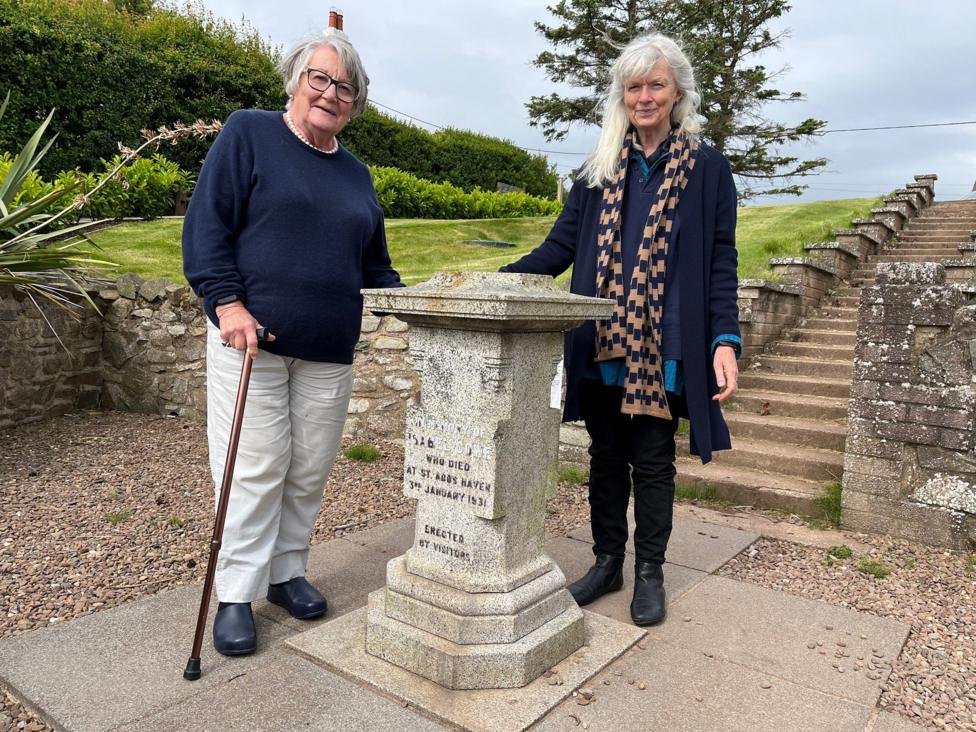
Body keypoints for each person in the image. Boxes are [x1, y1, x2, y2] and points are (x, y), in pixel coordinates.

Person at [501, 33, 740, 626]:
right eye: (634, 86)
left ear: (678, 89)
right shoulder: (600, 167)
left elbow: (721, 260)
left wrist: (725, 341)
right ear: (622, 95)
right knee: (606, 455)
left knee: (654, 459)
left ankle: (650, 572)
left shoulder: (708, 169)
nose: (645, 96)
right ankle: (608, 562)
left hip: (667, 343)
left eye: (655, 83)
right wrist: (497, 279)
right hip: (603, 340)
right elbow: (559, 247)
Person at [182, 28, 402, 655]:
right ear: (297, 80)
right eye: (321, 79)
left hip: (328, 350)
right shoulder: (250, 132)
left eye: (346, 88)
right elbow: (208, 226)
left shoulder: (357, 175)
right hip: (251, 342)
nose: (332, 94)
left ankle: (285, 573)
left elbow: (377, 268)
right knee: (253, 466)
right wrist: (225, 302)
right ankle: (234, 592)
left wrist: (428, 302)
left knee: (307, 470)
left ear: (356, 104)